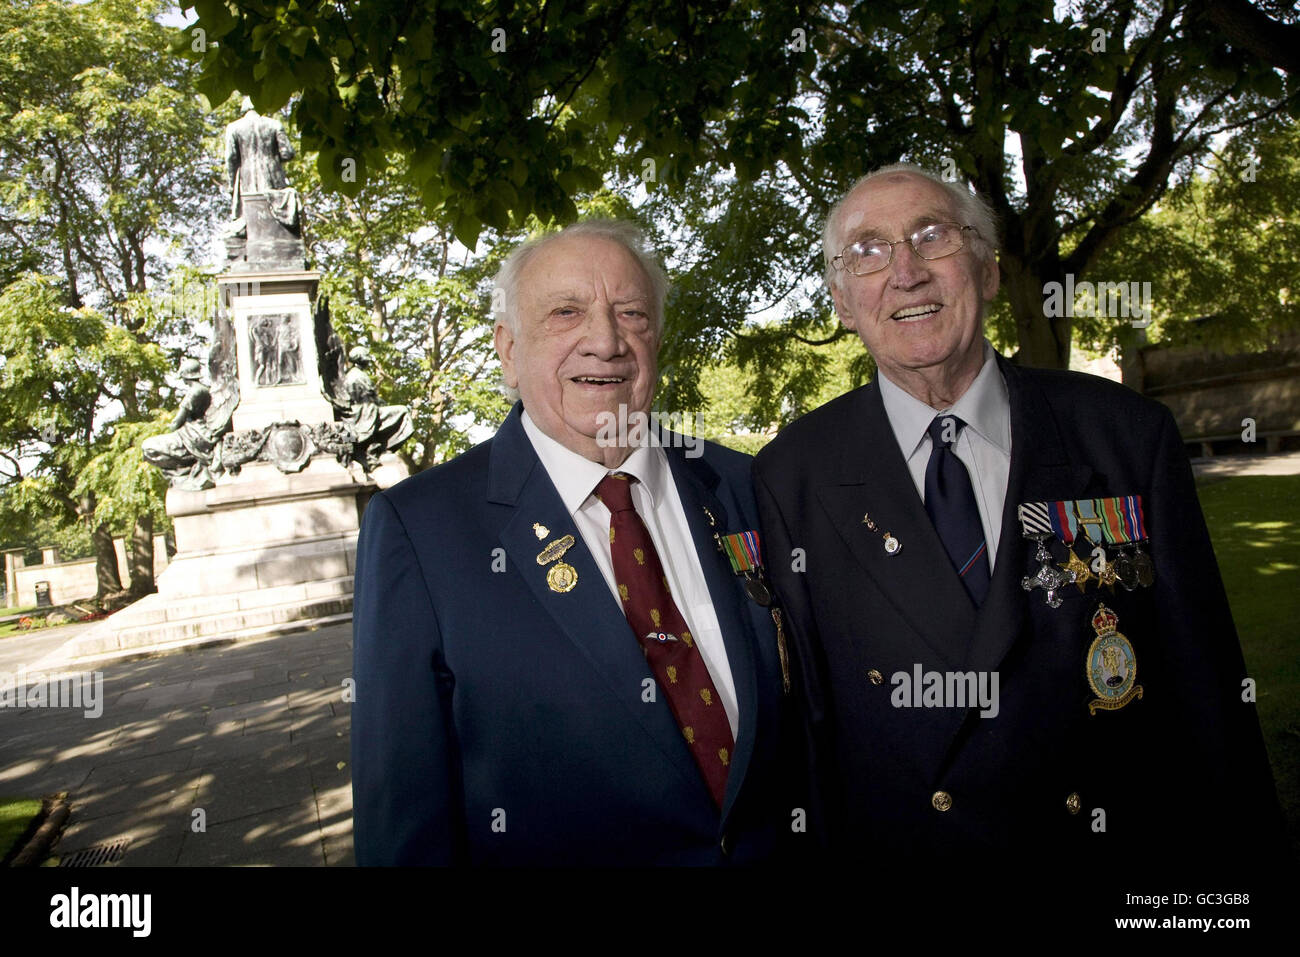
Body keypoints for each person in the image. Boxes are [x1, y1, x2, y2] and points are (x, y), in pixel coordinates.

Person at [752, 163, 1282, 877]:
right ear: (844, 303)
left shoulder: (1125, 437)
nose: (905, 271)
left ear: (990, 271)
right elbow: (809, 741)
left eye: (932, 236)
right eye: (869, 251)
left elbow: (1210, 698)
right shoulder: (791, 475)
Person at [352, 221, 795, 865]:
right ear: (507, 349)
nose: (606, 341)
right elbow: (404, 819)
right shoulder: (419, 530)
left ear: (657, 338)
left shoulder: (740, 485)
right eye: (566, 312)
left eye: (631, 312)